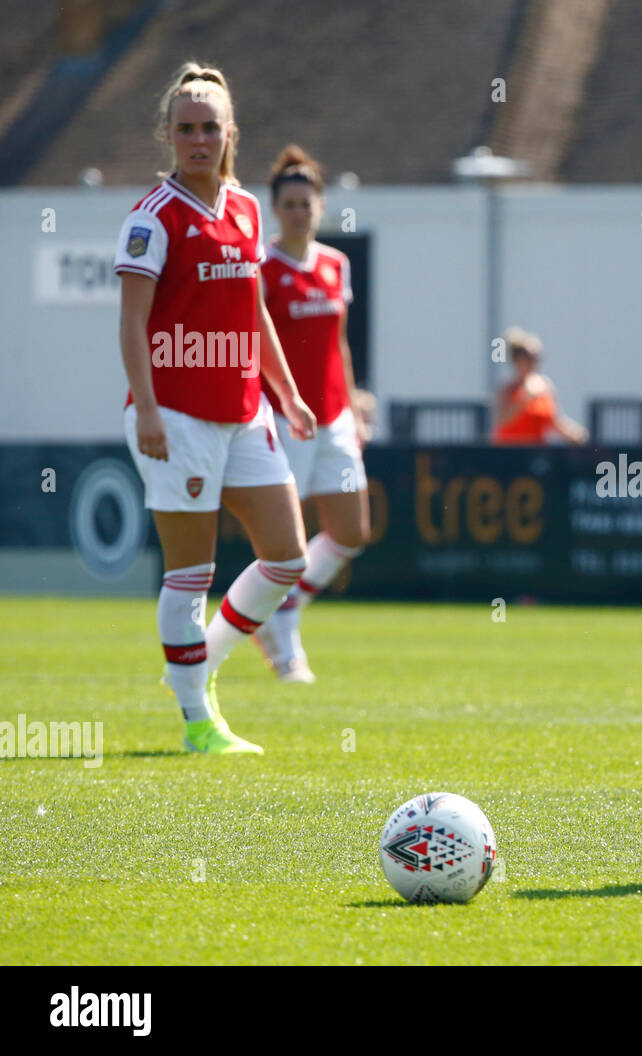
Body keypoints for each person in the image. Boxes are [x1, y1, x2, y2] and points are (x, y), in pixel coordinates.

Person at [115, 63, 316, 754]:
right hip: (177, 412)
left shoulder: (247, 209)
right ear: (169, 135)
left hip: (244, 406)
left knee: (287, 558)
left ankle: (198, 663)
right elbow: (132, 322)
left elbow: (253, 310)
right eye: (186, 129)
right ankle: (199, 719)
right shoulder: (153, 218)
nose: (198, 139)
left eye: (210, 128)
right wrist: (146, 409)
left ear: (230, 133)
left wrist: (285, 390)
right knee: (190, 572)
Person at [250, 145, 370, 683]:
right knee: (288, 545)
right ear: (276, 209)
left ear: (321, 205)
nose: (300, 211)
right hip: (283, 419)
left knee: (351, 531)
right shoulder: (263, 268)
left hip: (336, 417)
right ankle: (283, 644)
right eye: (290, 203)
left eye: (308, 201)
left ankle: (282, 608)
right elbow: (253, 346)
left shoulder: (334, 264)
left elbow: (337, 344)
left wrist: (354, 405)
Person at [492, 329, 589, 444]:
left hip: (537, 454)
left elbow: (554, 421)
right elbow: (499, 421)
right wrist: (524, 398)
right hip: (510, 453)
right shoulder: (506, 389)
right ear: (518, 360)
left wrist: (574, 433)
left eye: (537, 358)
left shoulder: (544, 386)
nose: (535, 363)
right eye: (530, 358)